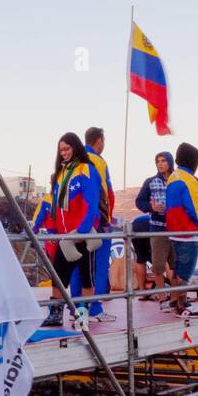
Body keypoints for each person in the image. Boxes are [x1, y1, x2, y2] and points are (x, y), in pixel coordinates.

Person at [33, 132, 102, 328]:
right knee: (58, 274)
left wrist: (82, 231)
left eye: (67, 149)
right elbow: (55, 207)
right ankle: (55, 314)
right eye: (61, 150)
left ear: (76, 147)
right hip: (65, 237)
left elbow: (92, 203)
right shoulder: (61, 174)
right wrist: (54, 231)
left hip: (82, 235)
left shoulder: (86, 169)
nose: (63, 153)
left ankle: (82, 314)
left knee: (87, 275)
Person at [163, 142, 198, 318]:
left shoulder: (173, 177)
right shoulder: (189, 179)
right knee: (185, 271)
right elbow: (194, 206)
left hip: (174, 231)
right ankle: (182, 305)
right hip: (188, 232)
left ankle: (177, 302)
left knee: (177, 268)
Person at [80, 127, 116, 322]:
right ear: (99, 141)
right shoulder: (98, 161)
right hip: (97, 223)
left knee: (80, 266)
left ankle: (78, 308)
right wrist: (105, 221)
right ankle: (95, 308)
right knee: (99, 267)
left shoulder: (73, 160)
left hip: (77, 224)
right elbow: (104, 194)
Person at [134, 151, 175, 308]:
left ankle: (177, 295)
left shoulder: (177, 180)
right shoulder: (150, 182)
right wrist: (150, 207)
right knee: (158, 265)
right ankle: (162, 297)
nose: (160, 163)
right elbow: (139, 201)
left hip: (176, 228)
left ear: (170, 162)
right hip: (157, 228)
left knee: (175, 265)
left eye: (163, 160)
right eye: (158, 161)